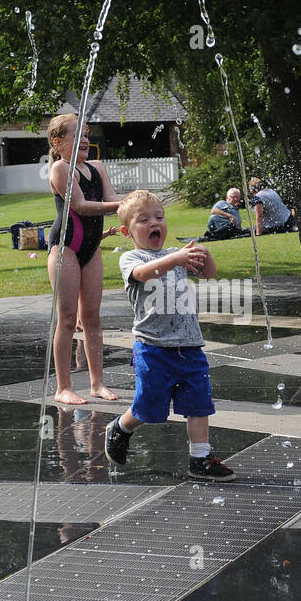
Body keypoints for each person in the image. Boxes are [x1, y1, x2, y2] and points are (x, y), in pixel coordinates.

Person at [104, 189, 233, 482]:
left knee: (199, 403)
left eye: (159, 217)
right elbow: (144, 273)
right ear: (127, 231)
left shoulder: (174, 256)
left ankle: (199, 458)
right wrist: (175, 258)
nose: (154, 224)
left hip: (190, 347)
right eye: (144, 219)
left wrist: (204, 255)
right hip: (153, 348)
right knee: (148, 405)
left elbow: (209, 274)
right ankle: (120, 428)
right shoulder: (131, 257)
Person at [46, 113, 122, 406]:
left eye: (87, 134)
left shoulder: (98, 167)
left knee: (92, 317)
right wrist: (125, 205)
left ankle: (97, 383)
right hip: (65, 247)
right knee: (67, 319)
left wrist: (128, 210)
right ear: (59, 142)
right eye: (78, 135)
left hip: (91, 249)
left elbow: (111, 200)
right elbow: (80, 205)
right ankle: (63, 387)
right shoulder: (60, 169)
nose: (86, 139)